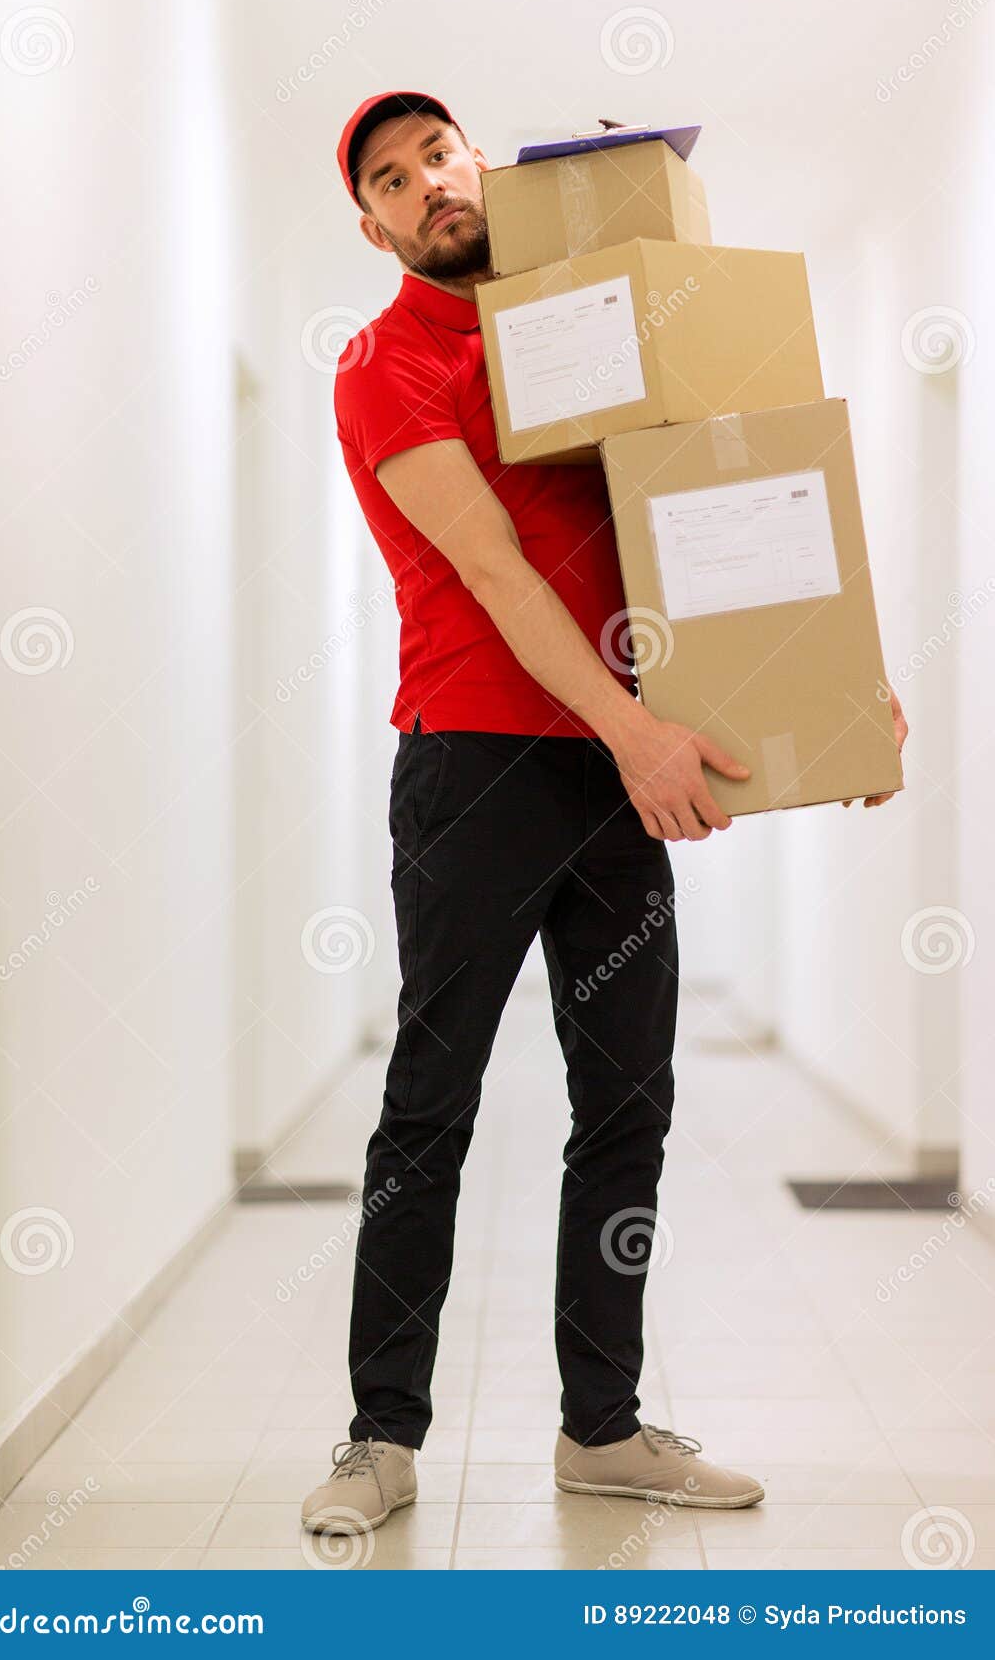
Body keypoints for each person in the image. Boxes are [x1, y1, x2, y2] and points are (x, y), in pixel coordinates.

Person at [301, 92, 909, 1537]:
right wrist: (634, 730)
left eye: (436, 152)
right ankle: (380, 1437)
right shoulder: (386, 364)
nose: (426, 184)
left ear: (479, 160)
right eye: (391, 180)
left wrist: (826, 693)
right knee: (428, 1109)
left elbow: (723, 482)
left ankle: (604, 1427)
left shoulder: (585, 326)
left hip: (619, 760)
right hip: (480, 761)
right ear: (373, 224)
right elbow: (502, 572)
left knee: (627, 1100)